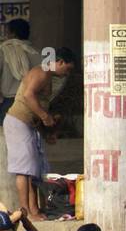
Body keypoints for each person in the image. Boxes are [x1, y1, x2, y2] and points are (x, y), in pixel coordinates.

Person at [4, 47, 76, 220]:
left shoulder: (47, 76)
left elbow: (37, 106)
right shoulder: (42, 72)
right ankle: (26, 213)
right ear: (59, 62)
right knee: (24, 170)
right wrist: (45, 116)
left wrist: (46, 128)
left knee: (33, 170)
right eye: (68, 69)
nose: (67, 74)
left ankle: (35, 210)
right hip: (18, 122)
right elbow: (29, 96)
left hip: (28, 125)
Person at [0, 18, 40, 119]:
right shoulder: (39, 53)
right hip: (35, 102)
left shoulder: (3, 51)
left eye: (6, 33)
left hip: (8, 103)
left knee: (6, 133)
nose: (5, 36)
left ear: (13, 34)